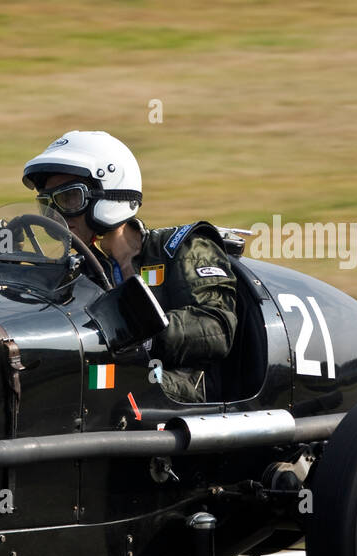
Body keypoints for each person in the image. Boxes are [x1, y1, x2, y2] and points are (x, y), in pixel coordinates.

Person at [21, 130, 237, 403]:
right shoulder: (74, 271)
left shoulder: (181, 248)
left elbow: (216, 328)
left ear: (108, 195)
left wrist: (138, 334)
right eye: (48, 204)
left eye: (68, 199)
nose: (58, 215)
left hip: (184, 392)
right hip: (109, 386)